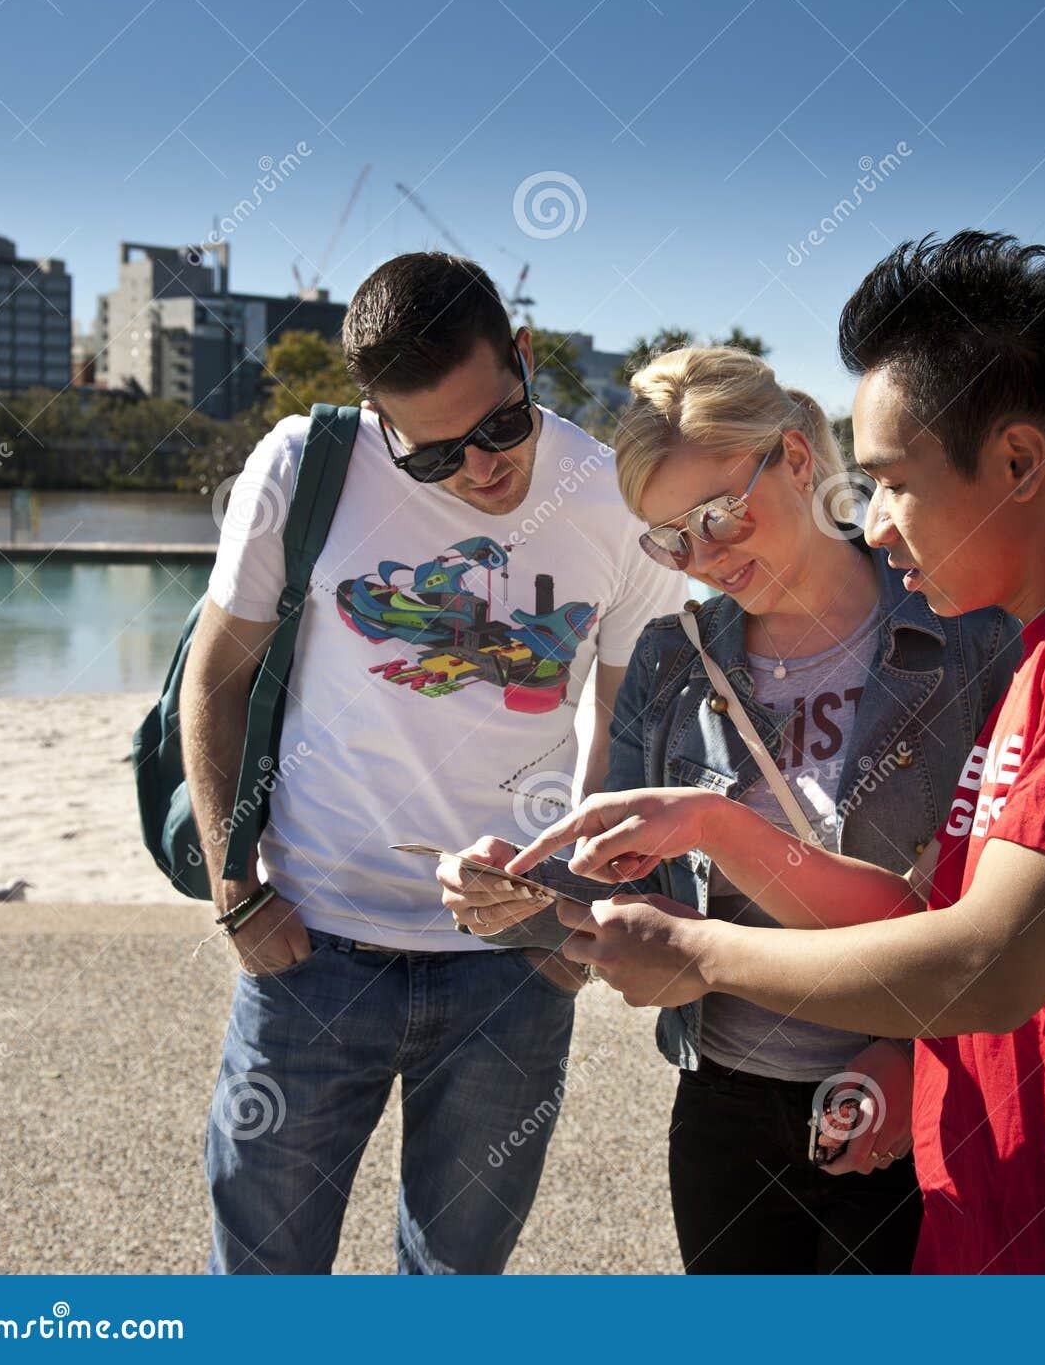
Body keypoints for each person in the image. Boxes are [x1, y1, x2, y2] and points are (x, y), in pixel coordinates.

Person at [503, 231, 1045, 1274]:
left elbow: (986, 967)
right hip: (995, 1219)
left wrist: (701, 955)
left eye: (891, 482)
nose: (876, 524)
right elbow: (932, 924)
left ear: (1017, 461)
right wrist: (709, 824)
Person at [438, 346, 1019, 1273]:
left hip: (926, 1089)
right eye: (670, 539)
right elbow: (607, 876)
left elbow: (1022, 914)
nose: (702, 559)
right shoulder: (670, 662)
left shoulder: (970, 639)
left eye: (718, 515)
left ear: (795, 460)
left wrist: (921, 1057)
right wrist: (516, 892)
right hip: (726, 1107)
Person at [182, 251, 685, 1274]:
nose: (480, 470)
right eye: (433, 455)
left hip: (512, 969)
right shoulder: (299, 466)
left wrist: (566, 922)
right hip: (311, 944)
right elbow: (215, 680)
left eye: (500, 424)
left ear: (525, 356)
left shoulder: (615, 501)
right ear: (378, 418)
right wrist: (236, 890)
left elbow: (628, 728)